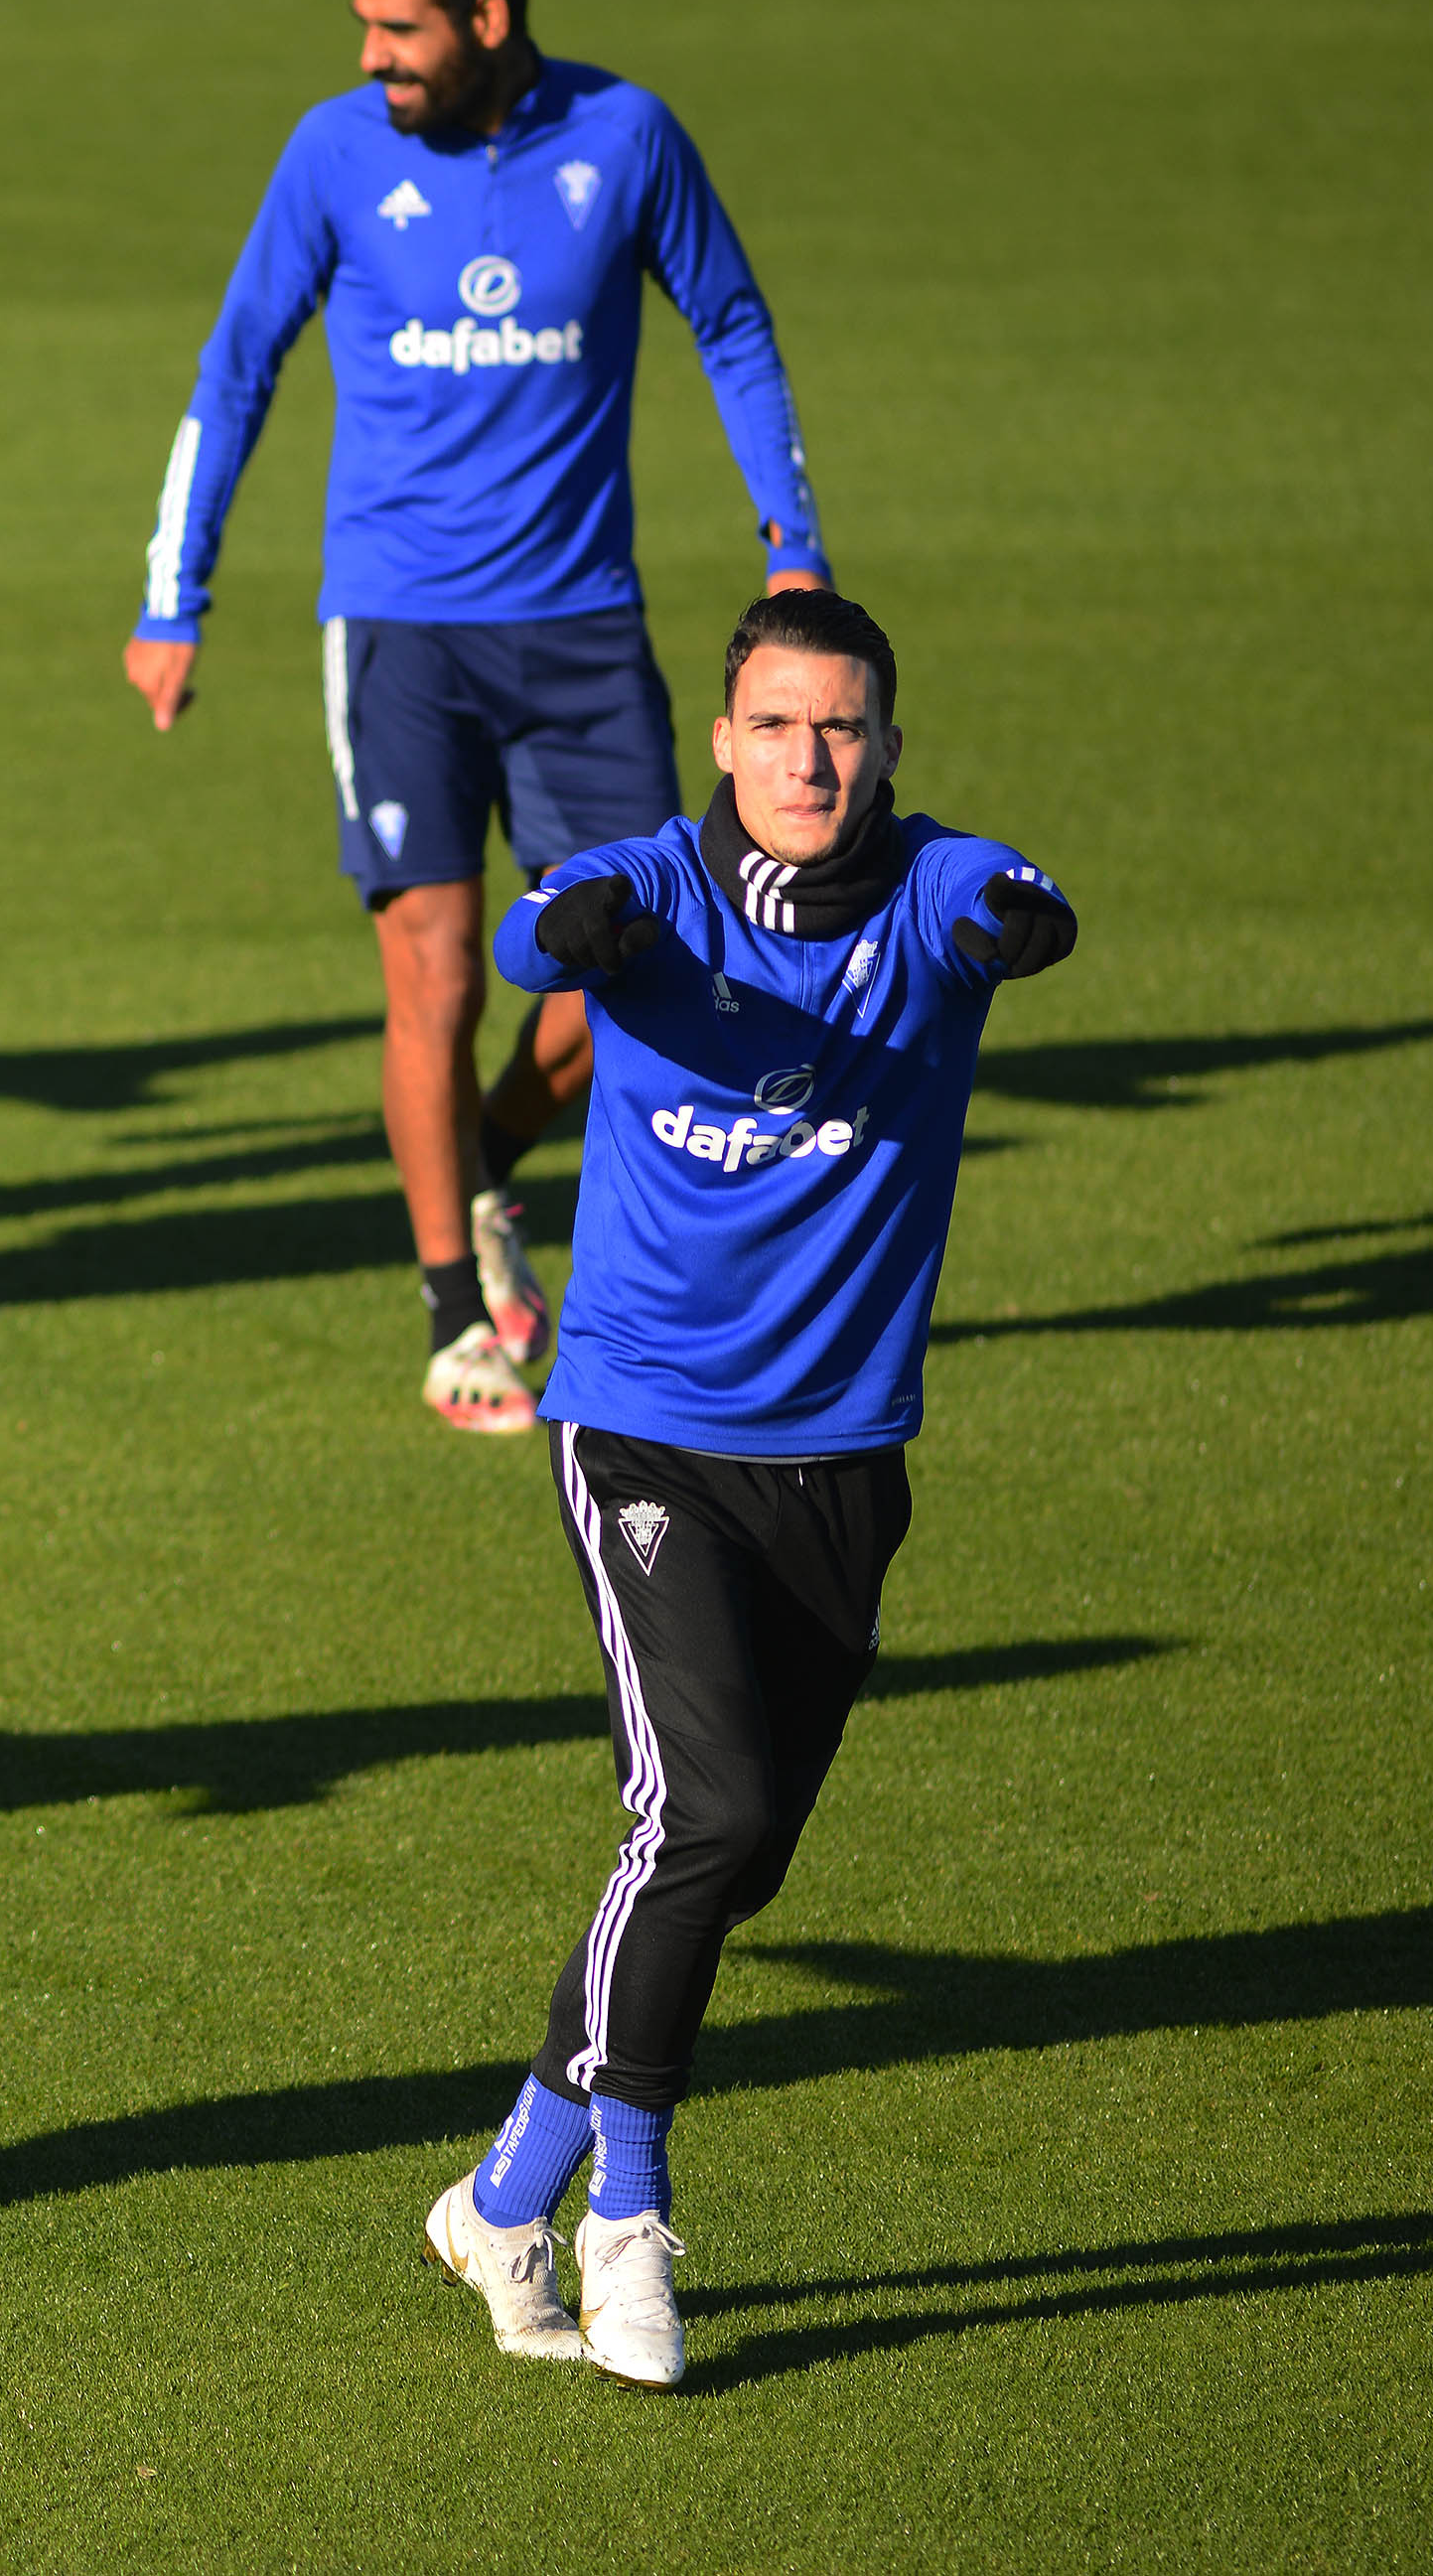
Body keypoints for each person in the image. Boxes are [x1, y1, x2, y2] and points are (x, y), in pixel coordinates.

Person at [416, 590, 1075, 2387]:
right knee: (703, 1812)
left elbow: (1016, 899)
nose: (809, 758)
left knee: (729, 1859)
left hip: (845, 1463)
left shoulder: (932, 895)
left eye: (842, 726)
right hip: (646, 1437)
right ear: (723, 739)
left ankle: (501, 2193)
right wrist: (580, 928)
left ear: (887, 744)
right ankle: (625, 2216)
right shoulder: (658, 887)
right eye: (775, 724)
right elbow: (549, 929)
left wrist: (1025, 925)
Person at [119, 0, 831, 1435]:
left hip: (584, 634)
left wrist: (793, 545)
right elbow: (237, 364)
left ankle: (487, 1158)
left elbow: (732, 325)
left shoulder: (627, 138)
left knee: (627, 969)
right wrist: (174, 596)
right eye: (365, 28)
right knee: (434, 973)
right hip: (399, 636)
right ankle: (457, 1310)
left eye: (401, 33)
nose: (371, 58)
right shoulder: (332, 153)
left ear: (489, 17)